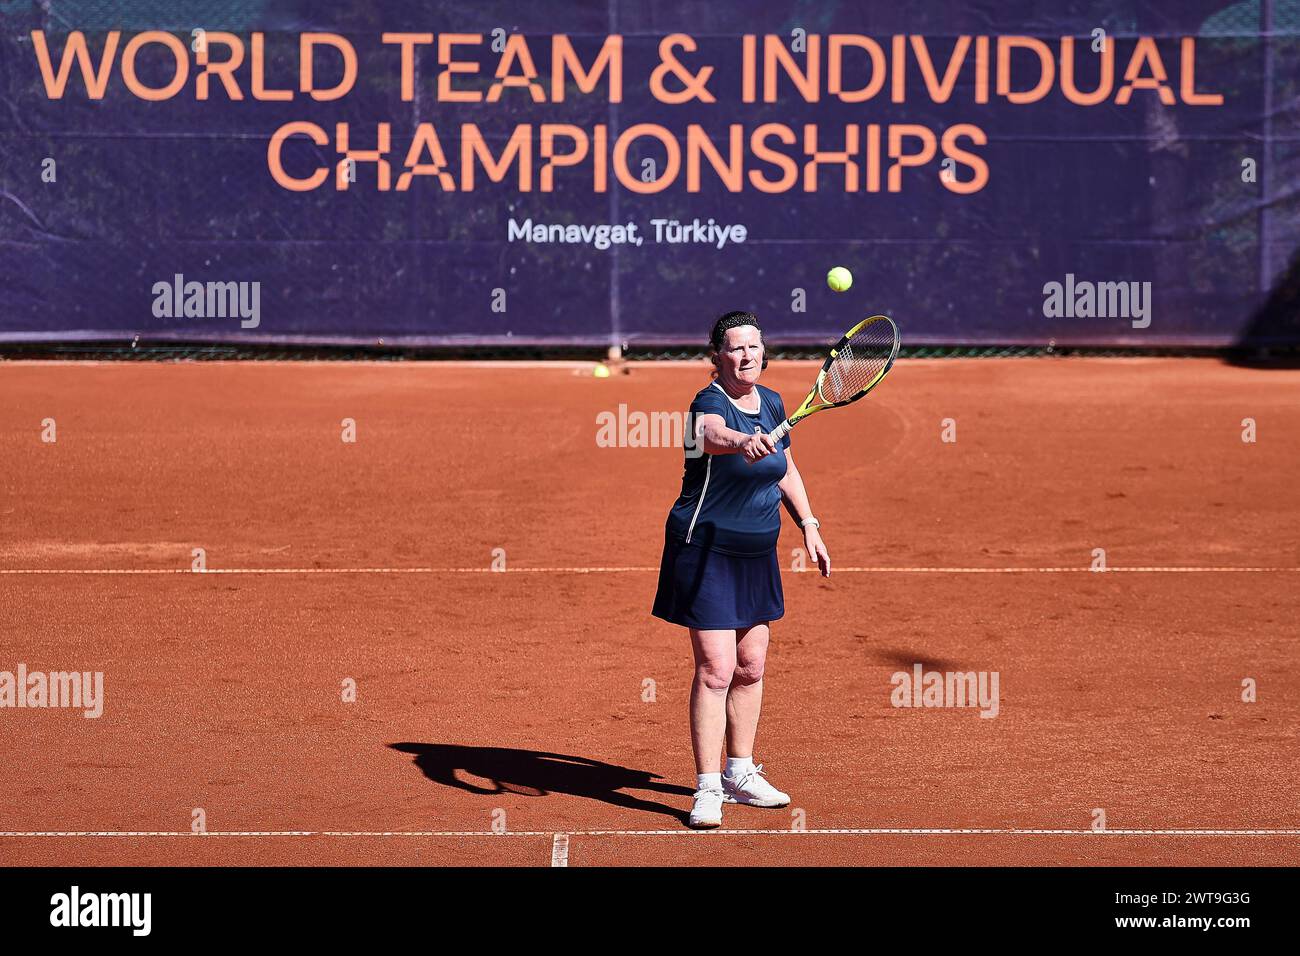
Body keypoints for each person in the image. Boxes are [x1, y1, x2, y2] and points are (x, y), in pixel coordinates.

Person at [651, 310, 831, 829]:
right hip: (705, 548)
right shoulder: (707, 403)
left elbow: (787, 468)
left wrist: (810, 524)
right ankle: (707, 788)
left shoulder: (773, 402)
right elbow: (709, 435)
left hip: (757, 552)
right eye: (735, 348)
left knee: (751, 665)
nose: (746, 355)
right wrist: (740, 442)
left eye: (753, 346)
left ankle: (740, 772)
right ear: (717, 356)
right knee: (716, 671)